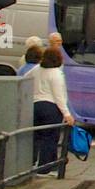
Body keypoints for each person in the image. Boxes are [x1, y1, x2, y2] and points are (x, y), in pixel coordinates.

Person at [28, 46, 74, 176]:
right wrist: (67, 114)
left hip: (35, 106)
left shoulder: (36, 70)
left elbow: (24, 78)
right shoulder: (56, 74)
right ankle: (45, 168)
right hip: (51, 108)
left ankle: (31, 163)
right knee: (50, 138)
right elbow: (59, 96)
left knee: (36, 137)